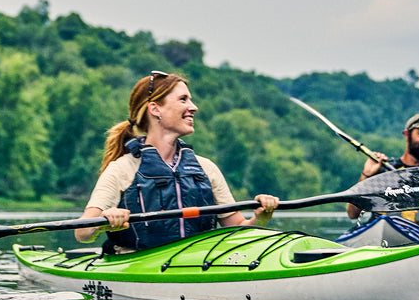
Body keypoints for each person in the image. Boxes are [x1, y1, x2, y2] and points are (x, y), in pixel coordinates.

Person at [74, 71, 279, 251]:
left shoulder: (206, 168)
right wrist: (105, 221)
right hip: (137, 265)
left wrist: (260, 217)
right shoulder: (122, 169)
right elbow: (82, 233)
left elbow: (238, 232)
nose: (194, 107)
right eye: (183, 100)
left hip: (198, 263)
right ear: (155, 109)